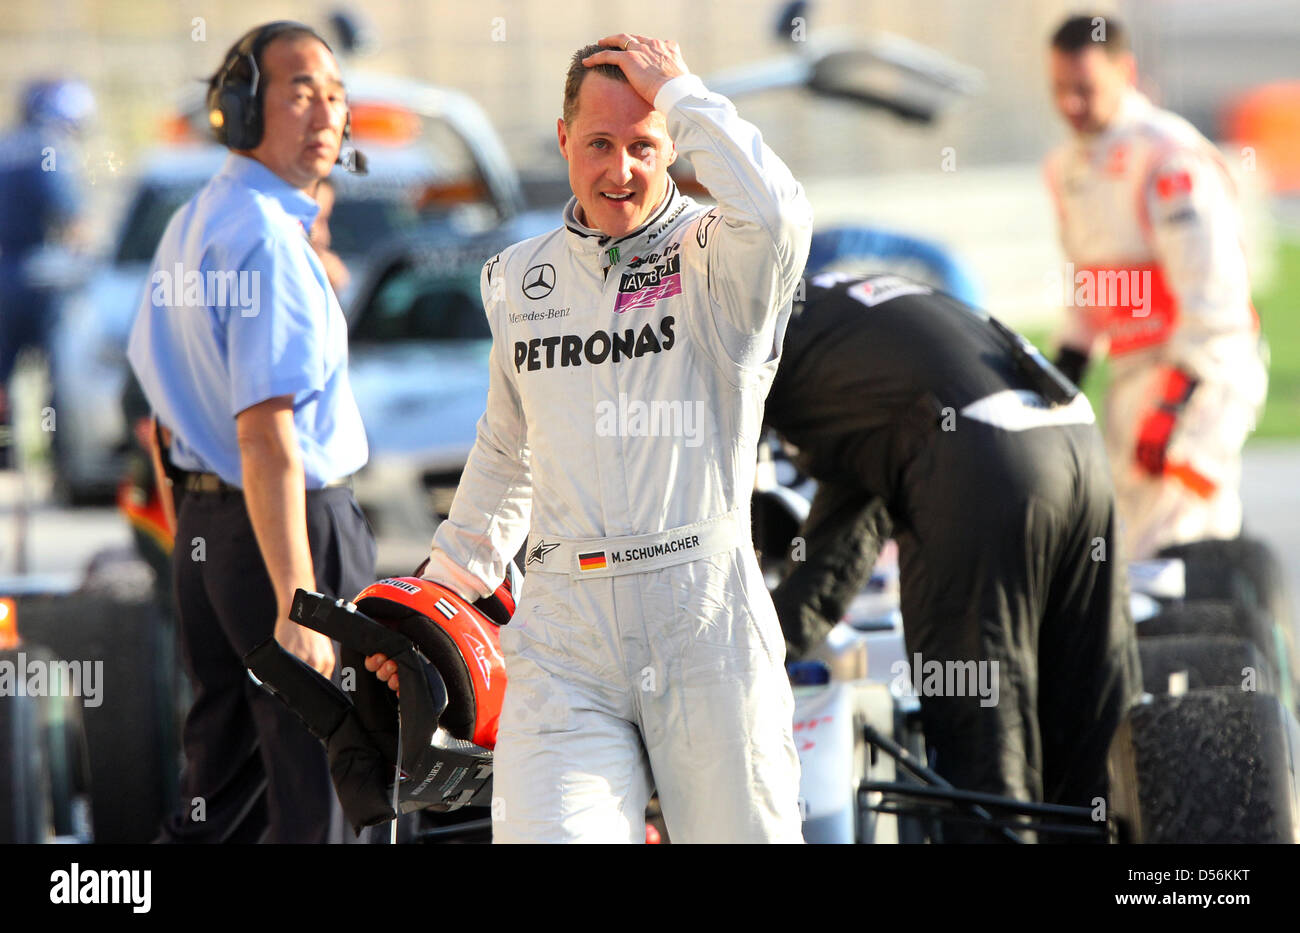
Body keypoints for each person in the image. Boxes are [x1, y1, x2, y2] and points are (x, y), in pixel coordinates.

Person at [369, 34, 812, 843]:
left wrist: (682, 93)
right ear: (564, 136)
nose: (621, 171)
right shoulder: (515, 277)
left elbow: (778, 211)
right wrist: (438, 597)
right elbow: (509, 451)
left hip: (704, 611)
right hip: (565, 627)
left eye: (645, 146)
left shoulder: (720, 259)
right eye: (600, 143)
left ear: (673, 147)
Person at [765, 272, 1142, 842]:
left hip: (984, 459)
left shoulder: (735, 330)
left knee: (982, 735)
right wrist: (776, 640)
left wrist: (743, 654)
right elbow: (849, 523)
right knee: (1094, 730)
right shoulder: (841, 305)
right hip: (1075, 441)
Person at [127, 20, 375, 843]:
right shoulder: (269, 240)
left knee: (222, 794)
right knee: (320, 794)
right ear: (239, 107)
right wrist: (298, 601)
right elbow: (267, 434)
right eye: (301, 90)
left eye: (336, 95)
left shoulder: (197, 220)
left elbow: (163, 403)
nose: (326, 111)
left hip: (213, 532)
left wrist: (200, 535)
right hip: (290, 529)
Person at [1044, 14, 1268, 560]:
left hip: (1198, 375)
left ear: (1126, 72)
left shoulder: (1168, 156)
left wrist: (1175, 404)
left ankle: (1228, 640)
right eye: (1059, 90)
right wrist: (1064, 367)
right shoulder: (1065, 166)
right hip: (1130, 380)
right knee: (1134, 550)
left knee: (1180, 542)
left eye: (1085, 89)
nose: (1072, 104)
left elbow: (1214, 300)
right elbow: (1091, 282)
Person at [0, 78, 93, 468]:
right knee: (58, 373)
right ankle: (59, 457)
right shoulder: (49, 149)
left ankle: (5, 452)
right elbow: (72, 220)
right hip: (41, 281)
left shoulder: (6, 147)